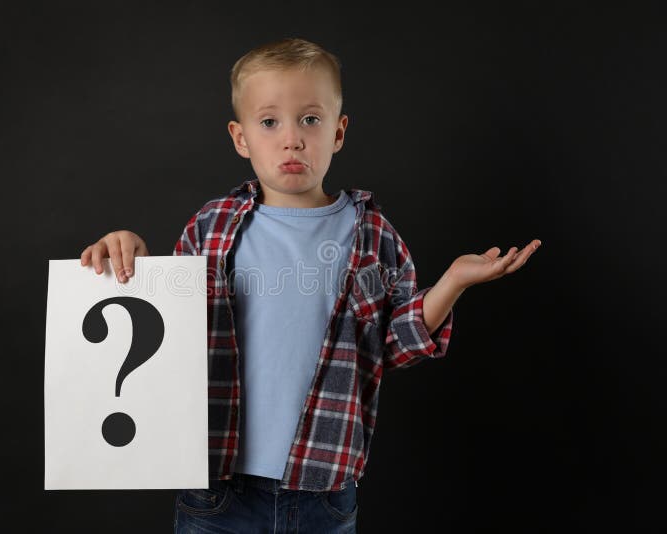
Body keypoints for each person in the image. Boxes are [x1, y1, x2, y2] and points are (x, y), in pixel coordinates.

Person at [79, 37, 540, 533]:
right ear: (241, 138)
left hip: (324, 491)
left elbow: (396, 344)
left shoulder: (371, 234)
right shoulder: (211, 227)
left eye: (311, 120)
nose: (292, 139)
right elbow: (164, 333)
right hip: (216, 489)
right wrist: (132, 258)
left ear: (339, 132)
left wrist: (453, 282)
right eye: (270, 122)